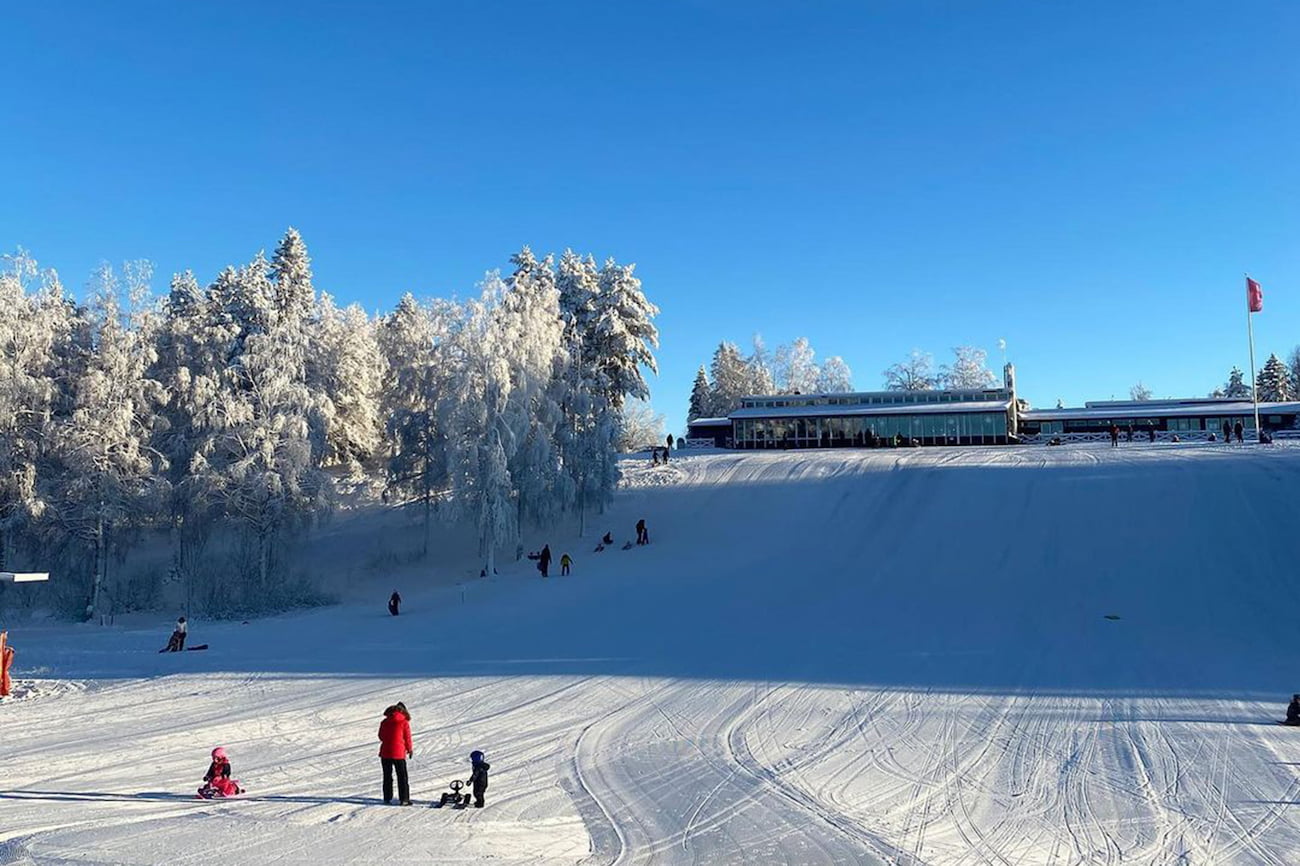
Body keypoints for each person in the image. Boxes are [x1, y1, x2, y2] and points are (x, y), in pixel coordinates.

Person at [378, 702, 413, 805]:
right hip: (398, 753)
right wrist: (409, 749)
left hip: (385, 752)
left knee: (387, 776)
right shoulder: (404, 722)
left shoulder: (384, 722)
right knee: (402, 777)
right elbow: (407, 738)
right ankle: (404, 799)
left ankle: (387, 798)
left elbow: (381, 736)